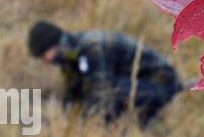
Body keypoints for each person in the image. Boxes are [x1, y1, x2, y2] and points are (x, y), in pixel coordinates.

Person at [28, 20, 185, 125]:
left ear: (56, 45)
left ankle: (141, 123)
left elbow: (100, 95)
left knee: (112, 93)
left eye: (44, 54)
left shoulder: (94, 47)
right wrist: (65, 116)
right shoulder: (70, 54)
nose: (45, 60)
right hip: (134, 83)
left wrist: (89, 128)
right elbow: (73, 91)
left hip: (161, 84)